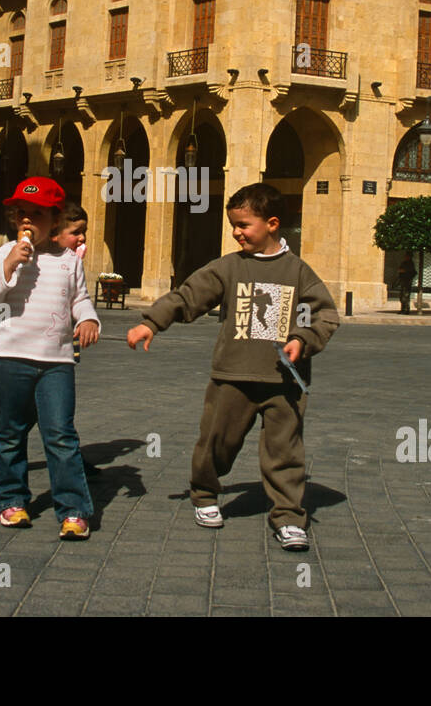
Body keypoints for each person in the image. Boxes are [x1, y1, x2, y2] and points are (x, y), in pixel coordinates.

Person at [126, 183, 340, 551]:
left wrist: (303, 340)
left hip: (284, 382)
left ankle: (289, 516)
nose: (236, 232)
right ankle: (205, 493)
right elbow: (188, 296)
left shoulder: (299, 271)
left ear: (272, 224)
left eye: (244, 225)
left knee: (285, 450)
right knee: (216, 443)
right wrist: (152, 321)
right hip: (232, 377)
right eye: (234, 226)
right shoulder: (228, 267)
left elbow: (326, 315)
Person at [0, 178, 100, 539]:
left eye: (37, 214)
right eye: (21, 214)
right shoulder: (5, 253)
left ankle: (74, 509)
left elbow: (80, 298)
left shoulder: (68, 261)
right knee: (11, 434)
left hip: (57, 363)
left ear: (55, 220)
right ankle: (10, 500)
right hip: (9, 358)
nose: (27, 221)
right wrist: (10, 264)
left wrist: (89, 317)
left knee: (61, 435)